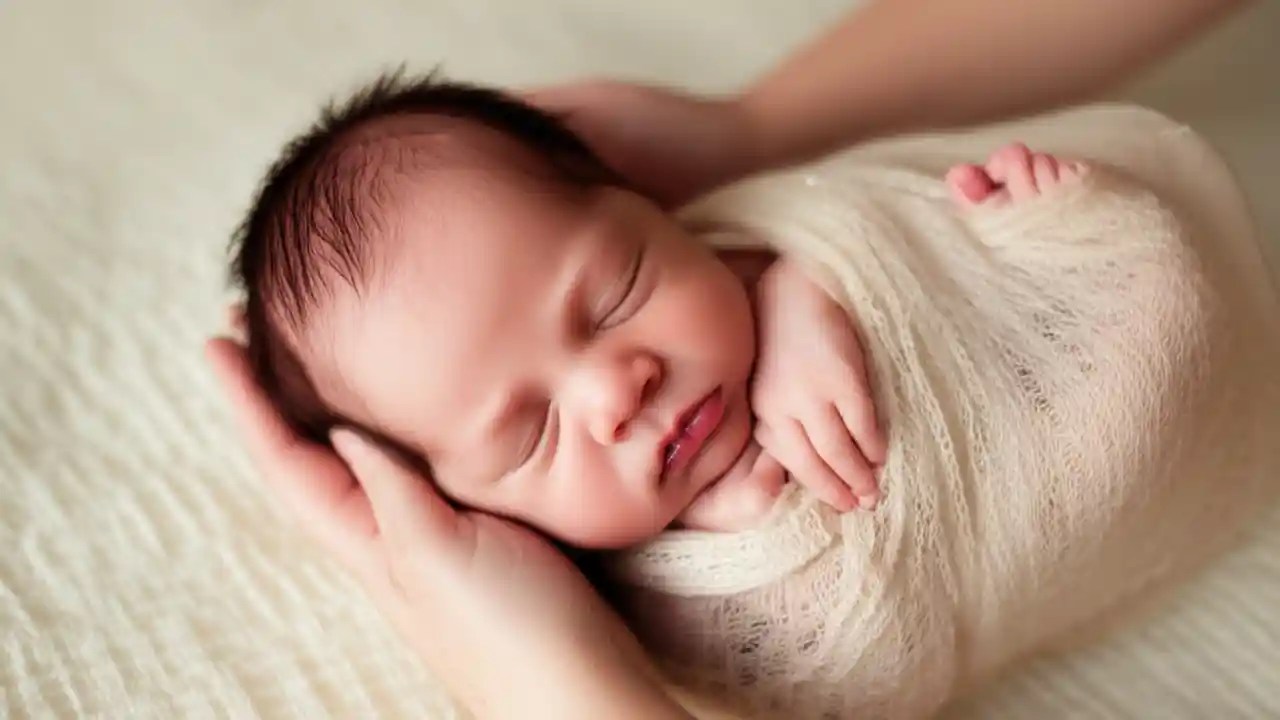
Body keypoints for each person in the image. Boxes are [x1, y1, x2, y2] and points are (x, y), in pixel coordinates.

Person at [205, 0, 1253, 717]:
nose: (617, 389)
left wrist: (799, 280)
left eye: (614, 292)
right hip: (1078, 505)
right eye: (529, 433)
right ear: (467, 511)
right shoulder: (628, 618)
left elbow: (823, 218)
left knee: (1106, 248)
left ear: (643, 202)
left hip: (1097, 325)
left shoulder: (729, 237)